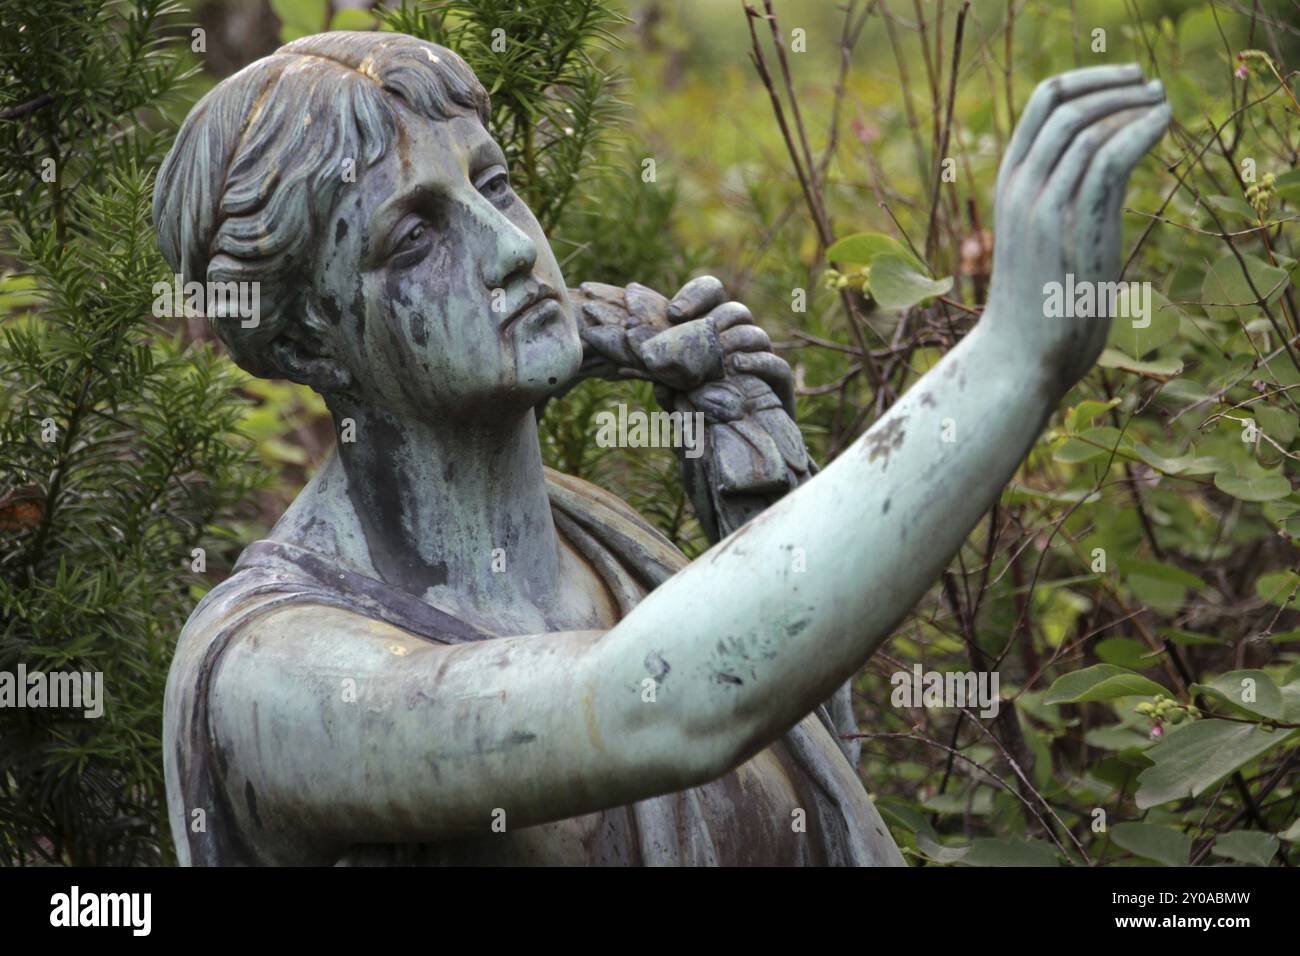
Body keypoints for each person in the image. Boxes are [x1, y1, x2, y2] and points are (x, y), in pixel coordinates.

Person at [154, 31, 1169, 865]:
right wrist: (1007, 364)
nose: (507, 248)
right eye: (414, 237)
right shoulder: (265, 680)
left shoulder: (608, 544)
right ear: (300, 337)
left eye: (494, 184)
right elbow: (659, 706)